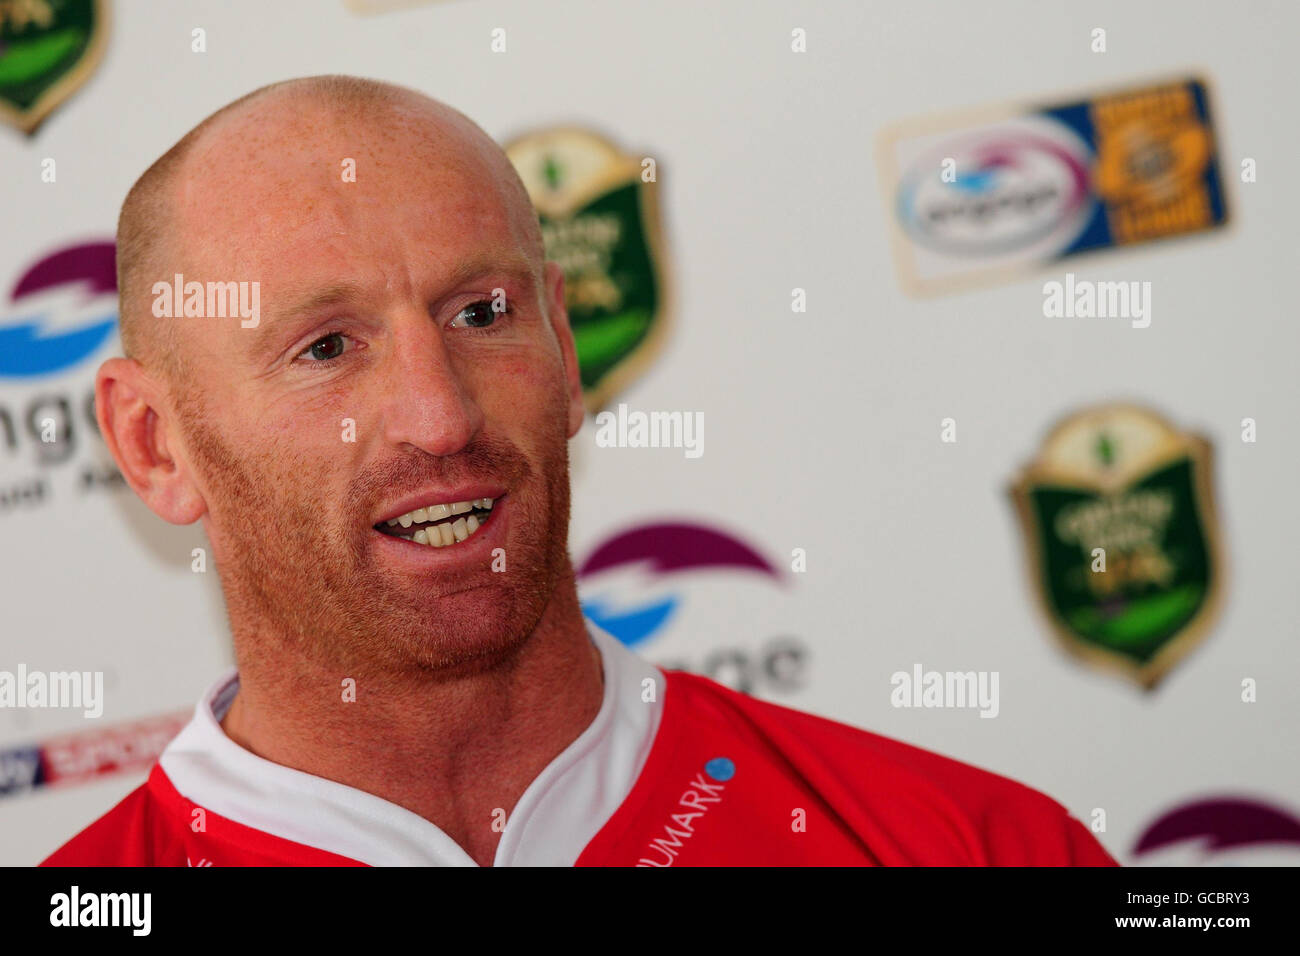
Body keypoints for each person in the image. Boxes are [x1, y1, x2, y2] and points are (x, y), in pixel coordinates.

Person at [42, 76, 1116, 867]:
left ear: (561, 345)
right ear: (150, 441)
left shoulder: (968, 844)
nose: (439, 414)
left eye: (481, 314)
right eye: (325, 347)